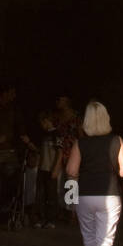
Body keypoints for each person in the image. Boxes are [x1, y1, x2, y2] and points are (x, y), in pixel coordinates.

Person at [66, 100, 123, 246]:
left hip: (85, 195)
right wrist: (117, 172)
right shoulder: (116, 140)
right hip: (110, 194)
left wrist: (70, 197)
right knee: (107, 238)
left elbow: (71, 171)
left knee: (89, 237)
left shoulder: (80, 143)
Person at [50, 94, 80, 224]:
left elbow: (80, 134)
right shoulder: (56, 117)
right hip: (59, 150)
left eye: (60, 99)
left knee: (71, 182)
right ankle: (62, 209)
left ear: (67, 100)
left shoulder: (75, 116)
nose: (57, 102)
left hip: (72, 151)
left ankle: (72, 211)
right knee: (59, 182)